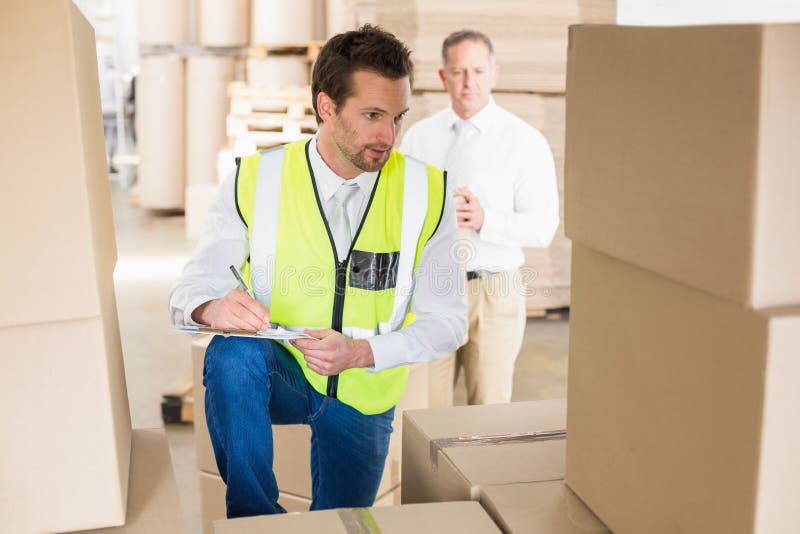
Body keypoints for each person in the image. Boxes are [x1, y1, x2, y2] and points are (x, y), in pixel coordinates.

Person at [168, 25, 466, 518]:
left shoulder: (427, 194)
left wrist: (362, 351)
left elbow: (449, 320)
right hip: (282, 369)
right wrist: (212, 305)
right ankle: (255, 518)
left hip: (364, 387)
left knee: (343, 522)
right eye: (372, 115)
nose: (388, 136)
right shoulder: (255, 180)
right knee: (231, 355)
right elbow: (189, 289)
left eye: (397, 117)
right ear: (327, 108)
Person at [399, 29, 559, 406]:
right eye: (458, 71)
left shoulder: (525, 141)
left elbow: (543, 227)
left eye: (478, 70)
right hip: (432, 289)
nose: (468, 81)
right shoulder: (421, 138)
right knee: (421, 411)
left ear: (494, 74)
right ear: (443, 77)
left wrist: (486, 219)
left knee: (489, 410)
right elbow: (398, 212)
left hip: (495, 293)